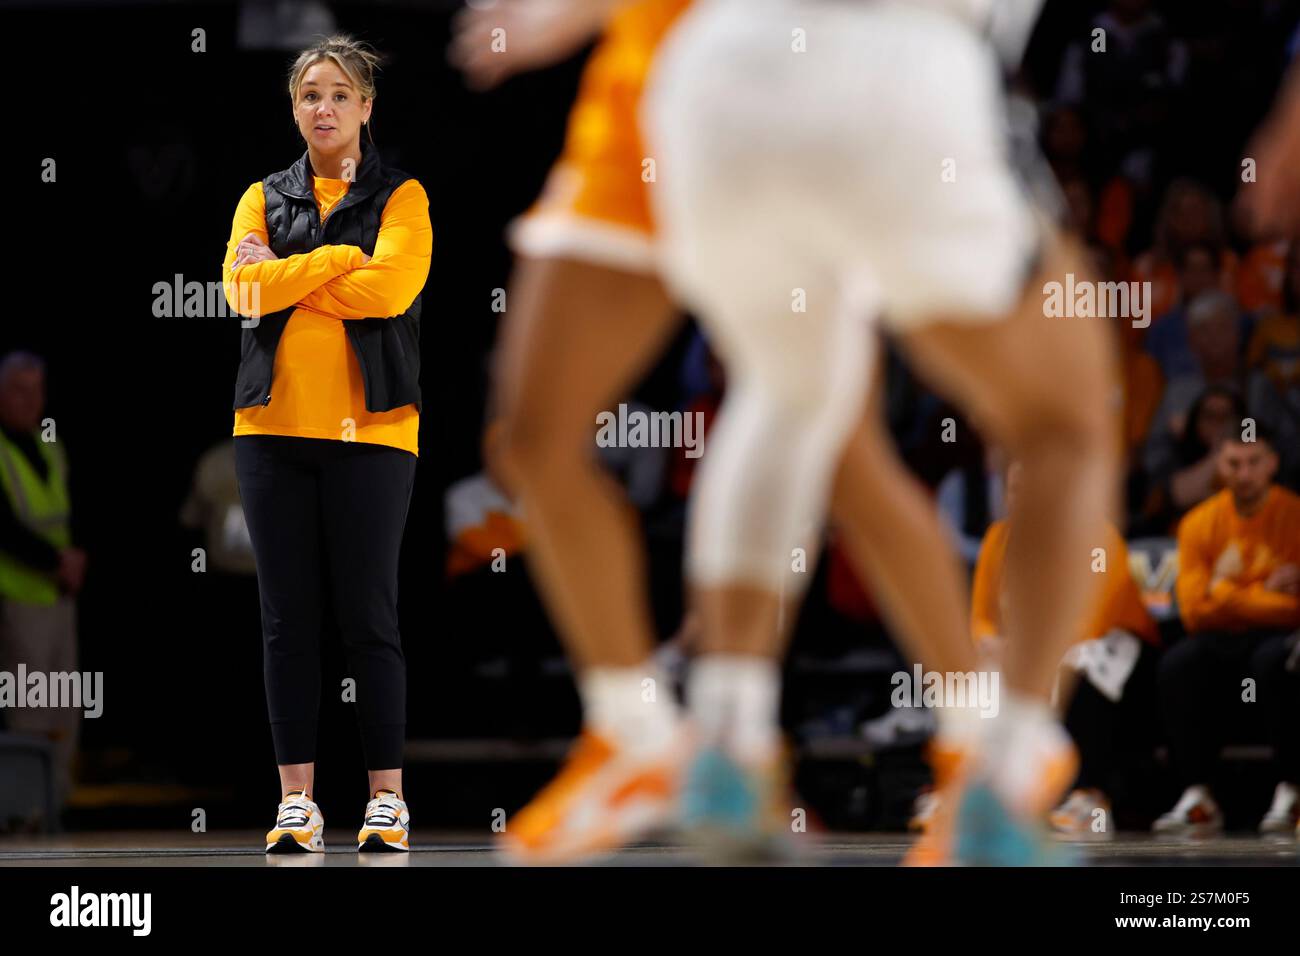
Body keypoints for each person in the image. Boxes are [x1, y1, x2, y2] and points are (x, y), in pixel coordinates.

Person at [452, 0, 986, 863]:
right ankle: (636, 735)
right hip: (640, 98)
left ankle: (978, 750)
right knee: (533, 437)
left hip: (774, 93)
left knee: (844, 460)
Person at [646, 0, 1119, 864]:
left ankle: (726, 738)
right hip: (895, 70)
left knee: (785, 390)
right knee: (1069, 424)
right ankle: (1003, 778)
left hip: (714, 78)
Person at [221, 35, 432, 853]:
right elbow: (239, 287)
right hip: (269, 431)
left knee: (368, 616)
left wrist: (294, 269)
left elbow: (391, 288)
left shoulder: (402, 197)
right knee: (286, 621)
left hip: (374, 434)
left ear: (367, 107)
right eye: (311, 93)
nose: (325, 107)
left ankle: (386, 799)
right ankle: (297, 804)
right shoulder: (260, 195)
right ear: (294, 106)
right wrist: (340, 260)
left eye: (341, 93)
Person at [967, 462, 1160, 839]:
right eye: (1014, 490)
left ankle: (1090, 797)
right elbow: (981, 617)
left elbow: (1095, 620)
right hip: (1033, 649)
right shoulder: (997, 538)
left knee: (1080, 662)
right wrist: (990, 642)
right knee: (974, 673)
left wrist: (1029, 651)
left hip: (1118, 648)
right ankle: (994, 794)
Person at [1154, 429, 1300, 836]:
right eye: (1233, 463)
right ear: (1219, 465)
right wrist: (1265, 592)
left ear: (1272, 463)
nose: (1244, 473)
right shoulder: (1198, 523)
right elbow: (1195, 613)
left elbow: (1296, 610)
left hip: (1278, 636)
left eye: (1254, 462)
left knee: (1276, 661)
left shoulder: (1295, 515)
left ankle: (1292, 790)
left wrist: (1226, 592)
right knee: (1178, 663)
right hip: (1222, 634)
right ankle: (1197, 795)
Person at [0, 351, 87, 815]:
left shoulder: (48, 444)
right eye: (19, 388)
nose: (30, 399)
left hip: (59, 596)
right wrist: (54, 560)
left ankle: (55, 808)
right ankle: (24, 811)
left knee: (66, 708)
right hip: (20, 596)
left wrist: (73, 561)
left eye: (37, 389)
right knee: (30, 712)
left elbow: (65, 511)